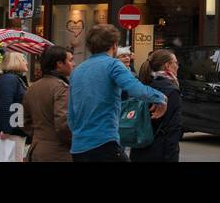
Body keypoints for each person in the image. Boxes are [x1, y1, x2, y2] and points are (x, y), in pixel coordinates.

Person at [68, 25, 167, 162]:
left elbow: (71, 116)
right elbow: (135, 88)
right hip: (103, 142)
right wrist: (160, 97)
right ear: (114, 45)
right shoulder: (113, 65)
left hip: (78, 147)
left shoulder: (77, 71)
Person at [130, 50, 183, 162]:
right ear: (167, 65)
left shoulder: (143, 86)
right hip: (160, 151)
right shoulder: (171, 91)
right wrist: (171, 156)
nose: (178, 66)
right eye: (176, 63)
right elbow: (173, 128)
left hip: (138, 149)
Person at [26, 45, 73, 162]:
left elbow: (24, 120)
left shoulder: (33, 87)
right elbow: (63, 124)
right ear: (59, 64)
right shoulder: (61, 88)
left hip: (36, 150)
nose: (74, 64)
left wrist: (39, 135)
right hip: (58, 153)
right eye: (70, 60)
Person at [0, 51, 30, 157]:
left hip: (14, 130)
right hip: (11, 133)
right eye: (23, 59)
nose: (26, 62)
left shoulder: (14, 79)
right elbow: (5, 104)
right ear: (15, 61)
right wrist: (6, 130)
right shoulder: (9, 79)